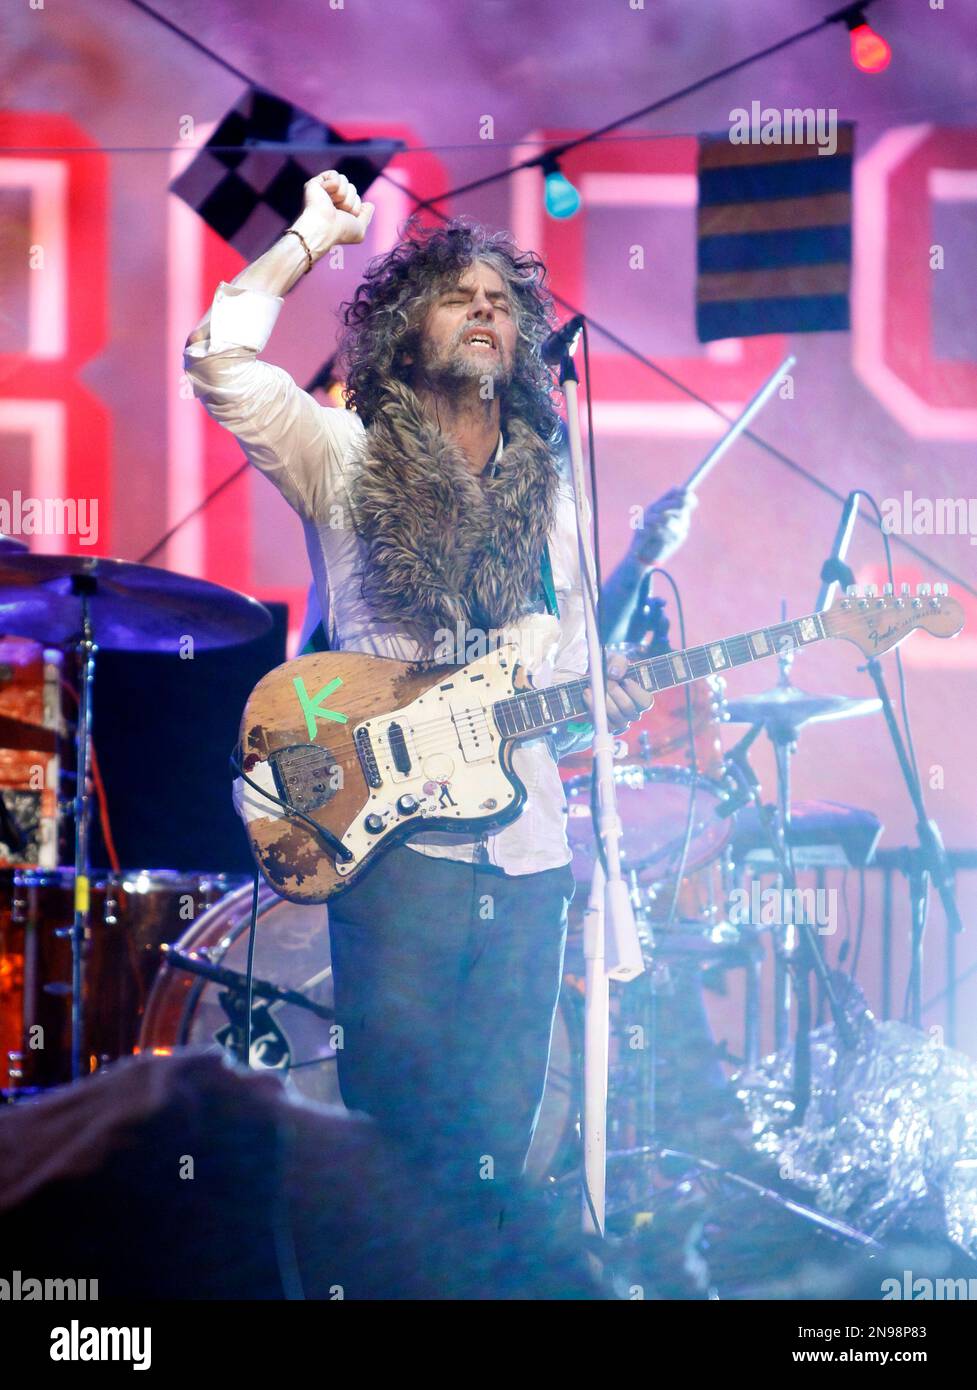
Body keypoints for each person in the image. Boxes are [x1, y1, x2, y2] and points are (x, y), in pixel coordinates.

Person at [183, 169, 654, 1206]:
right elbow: (216, 361)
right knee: (397, 1152)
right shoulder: (340, 456)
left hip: (528, 855)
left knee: (498, 1148)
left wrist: (598, 691)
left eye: (501, 298)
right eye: (459, 294)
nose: (486, 306)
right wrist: (311, 236)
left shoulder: (553, 489)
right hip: (400, 857)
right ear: (406, 333)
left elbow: (561, 668)